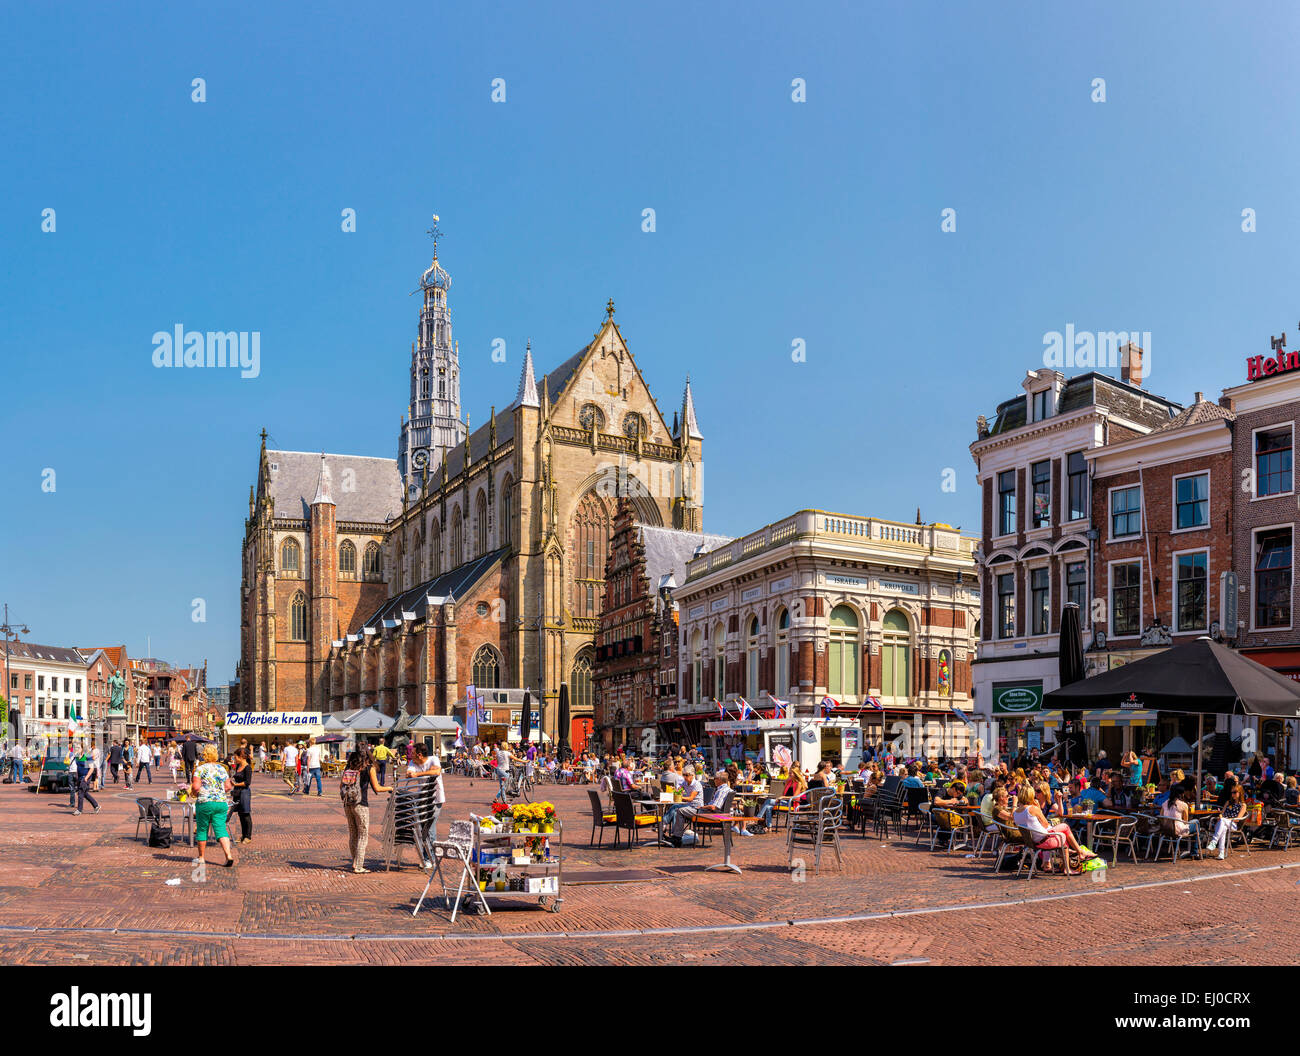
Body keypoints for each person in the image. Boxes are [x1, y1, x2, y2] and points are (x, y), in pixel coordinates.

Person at [1012, 791, 1096, 874]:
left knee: (1062, 833)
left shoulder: (1015, 812)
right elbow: (1045, 825)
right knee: (1064, 829)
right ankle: (1074, 860)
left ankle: (1060, 863)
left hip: (1032, 842)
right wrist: (1038, 807)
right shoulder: (1032, 808)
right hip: (1044, 841)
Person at [342, 744, 392, 873]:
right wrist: (391, 788)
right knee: (363, 836)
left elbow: (341, 785)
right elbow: (377, 788)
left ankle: (354, 862)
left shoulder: (349, 767)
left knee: (353, 834)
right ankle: (359, 866)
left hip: (348, 803)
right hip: (361, 805)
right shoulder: (369, 768)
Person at [191, 745, 235, 868]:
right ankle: (228, 855)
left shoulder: (200, 769)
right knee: (221, 829)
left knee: (202, 829)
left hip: (205, 802)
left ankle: (201, 857)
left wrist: (195, 793)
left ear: (204, 755)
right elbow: (228, 787)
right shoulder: (222, 769)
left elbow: (195, 787)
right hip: (221, 803)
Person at [670, 769, 731, 845]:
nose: (714, 781)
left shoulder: (721, 790)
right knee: (677, 808)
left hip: (710, 815)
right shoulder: (726, 789)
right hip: (712, 813)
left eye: (714, 779)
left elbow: (714, 807)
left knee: (679, 810)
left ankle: (677, 838)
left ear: (719, 780)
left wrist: (702, 807)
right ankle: (676, 835)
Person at [1205, 783, 1247, 860]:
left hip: (1233, 824)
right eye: (1232, 792)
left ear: (1240, 793)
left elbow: (1237, 819)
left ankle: (1214, 841)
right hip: (1223, 823)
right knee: (1223, 828)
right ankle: (1221, 853)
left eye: (1235, 792)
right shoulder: (1228, 802)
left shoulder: (1243, 805)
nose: (1233, 794)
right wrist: (1220, 817)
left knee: (1223, 821)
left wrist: (1223, 819)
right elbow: (1222, 814)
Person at [227, 748, 254, 843]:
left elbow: (247, 782)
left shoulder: (247, 768)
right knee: (240, 814)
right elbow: (236, 776)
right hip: (237, 792)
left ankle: (248, 836)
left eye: (235, 757)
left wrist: (236, 784)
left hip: (244, 792)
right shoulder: (238, 765)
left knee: (246, 814)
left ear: (241, 757)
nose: (234, 759)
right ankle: (243, 835)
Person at [69, 747, 99, 816]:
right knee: (85, 793)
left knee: (80, 792)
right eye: (76, 748)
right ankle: (96, 806)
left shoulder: (87, 756)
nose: (77, 749)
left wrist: (86, 777)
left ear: (82, 748)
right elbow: (77, 767)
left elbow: (91, 768)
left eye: (78, 748)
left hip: (86, 777)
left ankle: (79, 810)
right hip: (80, 777)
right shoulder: (76, 757)